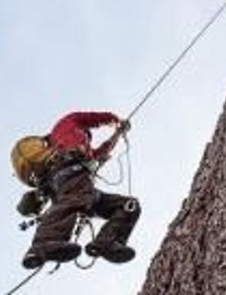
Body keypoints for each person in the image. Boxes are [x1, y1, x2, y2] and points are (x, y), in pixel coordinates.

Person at [17, 111, 141, 269]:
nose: (86, 140)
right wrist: (115, 120)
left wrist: (117, 134)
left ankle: (108, 242)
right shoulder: (65, 126)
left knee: (128, 205)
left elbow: (100, 153)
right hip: (68, 173)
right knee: (76, 199)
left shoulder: (84, 151)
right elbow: (92, 118)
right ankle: (44, 243)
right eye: (86, 136)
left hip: (80, 185)